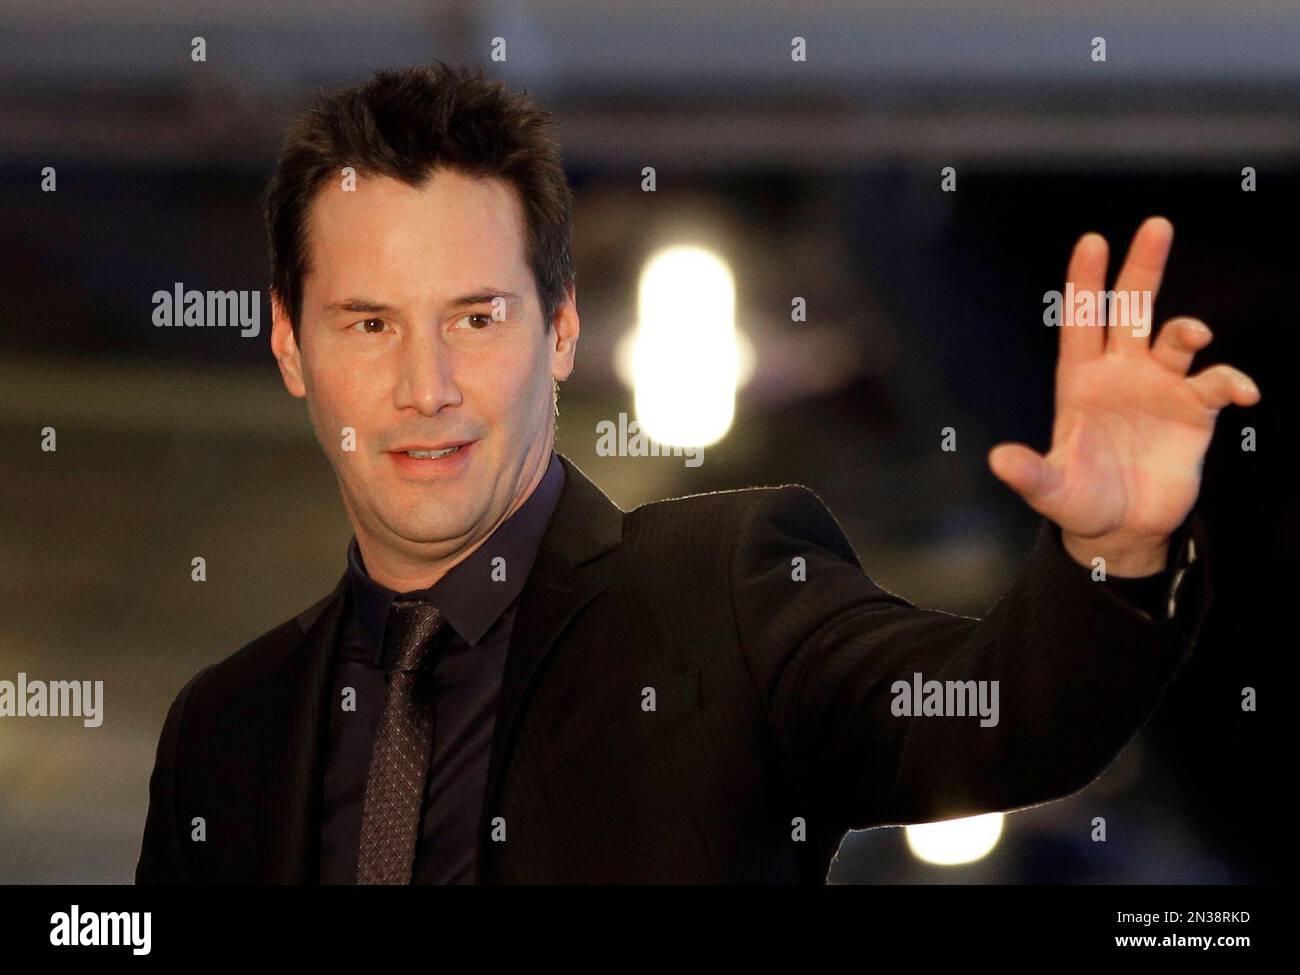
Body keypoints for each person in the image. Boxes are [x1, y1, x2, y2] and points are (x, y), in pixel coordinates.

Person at [135, 60, 1259, 884]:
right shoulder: (224, 730)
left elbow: (998, 720)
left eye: (477, 319)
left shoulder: (724, 594)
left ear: (563, 331)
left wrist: (1114, 553)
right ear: (289, 345)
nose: (426, 384)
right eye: (368, 325)